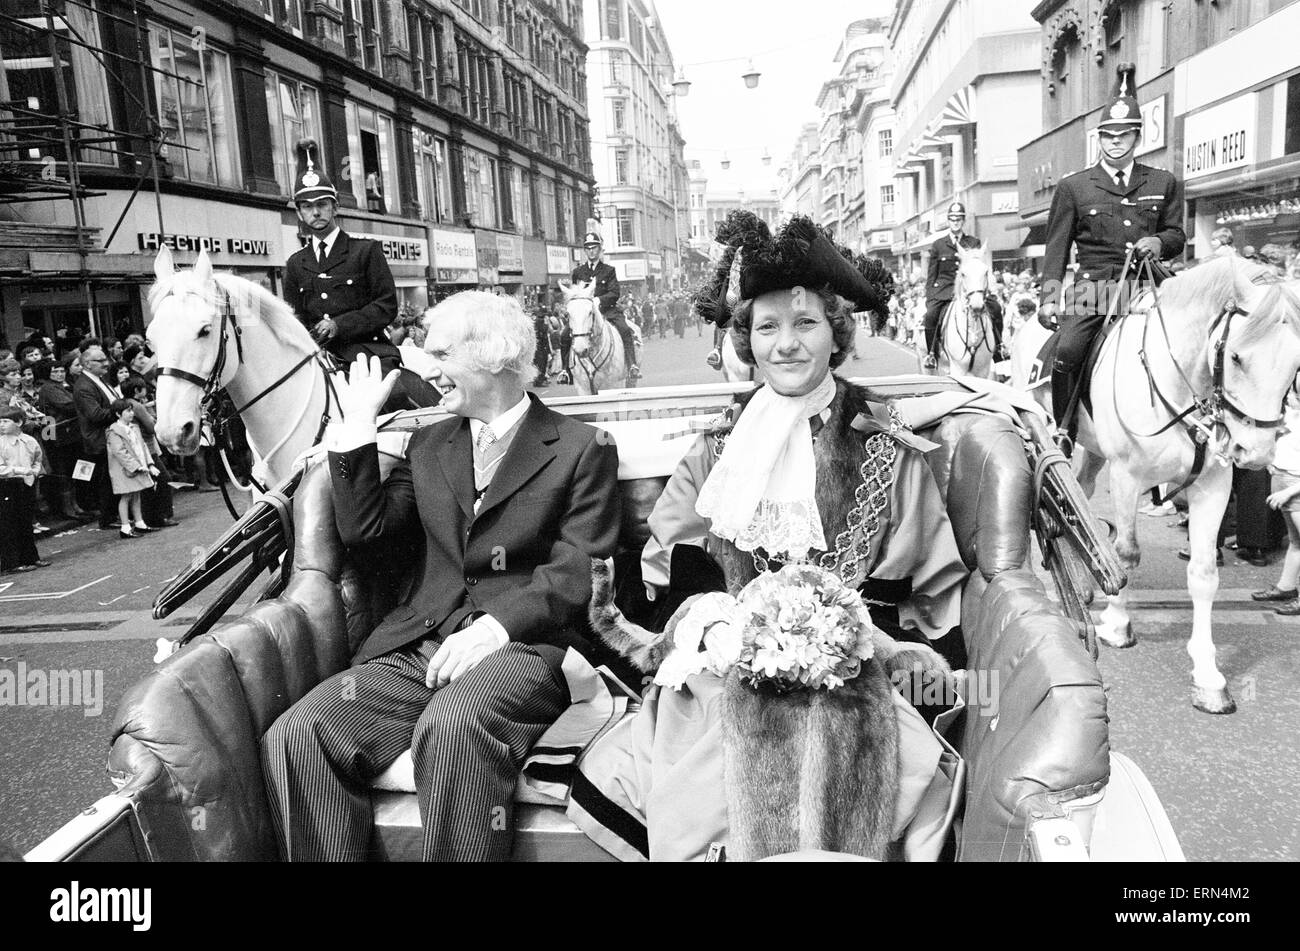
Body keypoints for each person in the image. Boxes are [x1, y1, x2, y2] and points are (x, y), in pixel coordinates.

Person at [568, 213, 961, 861]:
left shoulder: (886, 447)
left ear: (836, 334)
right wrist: (707, 624)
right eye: (767, 326)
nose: (786, 344)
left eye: (805, 323)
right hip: (724, 679)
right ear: (746, 340)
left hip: (859, 676)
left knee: (832, 739)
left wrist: (850, 639)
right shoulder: (719, 445)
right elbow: (670, 574)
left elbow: (930, 599)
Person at [260, 291, 622, 862]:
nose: (424, 366)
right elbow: (368, 535)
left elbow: (580, 568)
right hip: (423, 644)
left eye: (441, 353)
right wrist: (354, 435)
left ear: (494, 357)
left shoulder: (583, 448)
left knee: (453, 729)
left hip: (527, 647)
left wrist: (496, 628)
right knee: (298, 734)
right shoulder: (429, 443)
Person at [1038, 63, 1185, 452]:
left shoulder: (1162, 182)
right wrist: (1050, 298)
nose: (1115, 142)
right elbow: (1057, 249)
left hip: (1148, 284)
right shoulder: (1074, 187)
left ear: (1138, 136)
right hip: (1096, 290)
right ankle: (1065, 429)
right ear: (1099, 138)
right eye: (1108, 135)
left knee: (1191, 342)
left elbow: (1176, 235)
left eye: (1124, 135)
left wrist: (1159, 244)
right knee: (1068, 350)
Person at [282, 139, 437, 410]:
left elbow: (386, 306)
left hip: (367, 352)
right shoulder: (295, 264)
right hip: (317, 356)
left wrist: (339, 325)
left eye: (322, 204)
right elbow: (295, 318)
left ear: (336, 206)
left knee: (393, 399)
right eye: (306, 206)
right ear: (298, 212)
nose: (315, 211)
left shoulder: (365, 251)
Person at [921, 202, 1006, 368]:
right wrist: (931, 297)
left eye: (959, 219)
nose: (955, 222)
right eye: (952, 219)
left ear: (963, 220)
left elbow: (981, 269)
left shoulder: (973, 242)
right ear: (948, 221)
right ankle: (932, 354)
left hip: (972, 289)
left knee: (995, 309)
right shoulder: (939, 245)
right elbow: (932, 275)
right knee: (931, 316)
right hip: (944, 290)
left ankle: (998, 348)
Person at [571, 227, 640, 379]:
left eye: (594, 247)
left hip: (607, 311)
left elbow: (614, 293)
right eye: (588, 248)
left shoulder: (609, 270)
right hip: (585, 315)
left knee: (625, 330)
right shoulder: (578, 272)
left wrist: (598, 300)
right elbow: (575, 294)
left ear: (600, 249)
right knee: (566, 334)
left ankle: (632, 365)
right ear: (584, 250)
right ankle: (566, 370)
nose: (591, 251)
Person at [72, 344, 124, 529]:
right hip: (99, 439)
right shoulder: (84, 386)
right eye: (100, 361)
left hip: (112, 436)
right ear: (86, 363)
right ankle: (108, 518)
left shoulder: (100, 379)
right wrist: (121, 411)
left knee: (112, 478)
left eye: (105, 359)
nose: (106, 363)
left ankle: (115, 514)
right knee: (107, 480)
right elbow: (95, 415)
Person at [0, 407, 51, 573]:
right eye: (0, 421)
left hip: (26, 484)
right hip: (7, 485)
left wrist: (35, 471)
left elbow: (37, 458)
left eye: (6, 421)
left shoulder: (29, 440)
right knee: (9, 523)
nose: (1, 425)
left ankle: (31, 557)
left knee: (25, 521)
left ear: (19, 422)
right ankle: (12, 562)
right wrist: (21, 470)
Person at [105, 399, 156, 539]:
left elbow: (143, 446)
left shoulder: (133, 427)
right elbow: (119, 452)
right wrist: (136, 467)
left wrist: (149, 464)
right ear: (117, 414)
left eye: (131, 410)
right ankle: (125, 526)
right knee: (126, 496)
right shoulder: (113, 431)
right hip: (123, 470)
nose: (131, 413)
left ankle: (139, 523)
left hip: (136, 467)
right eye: (127, 411)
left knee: (136, 494)